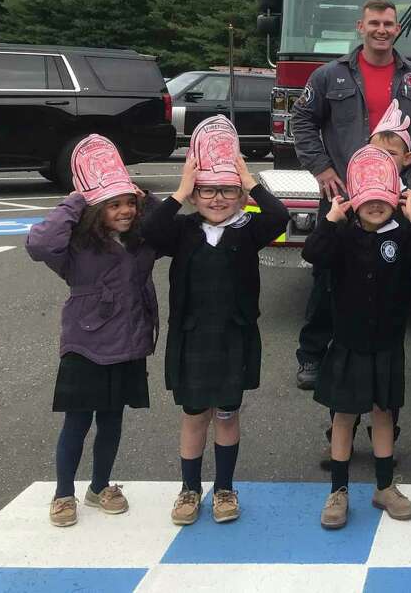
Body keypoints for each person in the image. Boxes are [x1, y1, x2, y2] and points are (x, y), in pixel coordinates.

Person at [291, 0, 411, 389]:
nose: (382, 29)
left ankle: (386, 355)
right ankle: (313, 354)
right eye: (374, 23)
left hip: (398, 197)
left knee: (397, 274)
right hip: (345, 194)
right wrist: (322, 168)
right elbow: (303, 120)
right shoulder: (329, 76)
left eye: (389, 23)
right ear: (360, 27)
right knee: (328, 272)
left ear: (397, 29)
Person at [142, 117, 289, 527]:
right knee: (194, 416)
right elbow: (150, 229)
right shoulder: (183, 230)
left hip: (234, 336)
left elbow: (278, 217)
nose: (218, 199)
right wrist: (181, 189)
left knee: (226, 414)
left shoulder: (248, 229)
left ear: (240, 195)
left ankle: (224, 488)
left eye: (227, 191)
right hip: (192, 338)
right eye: (208, 191)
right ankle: (190, 489)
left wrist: (249, 177)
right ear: (196, 194)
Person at [303, 146, 411, 529]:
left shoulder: (401, 236)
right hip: (348, 343)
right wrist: (331, 218)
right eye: (368, 200)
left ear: (394, 199)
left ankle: (384, 486)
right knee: (344, 417)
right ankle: (339, 490)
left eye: (384, 199)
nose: (376, 206)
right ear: (355, 200)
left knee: (383, 415)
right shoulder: (343, 236)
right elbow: (314, 253)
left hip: (386, 345)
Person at [27, 136, 159, 528]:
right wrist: (78, 198)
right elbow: (38, 243)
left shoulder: (141, 242)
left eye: (129, 204)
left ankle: (100, 486)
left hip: (128, 344)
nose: (124, 211)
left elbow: (166, 221)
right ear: (96, 209)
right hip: (85, 346)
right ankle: (63, 493)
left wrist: (143, 195)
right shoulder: (76, 246)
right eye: (113, 205)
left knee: (113, 420)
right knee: (77, 421)